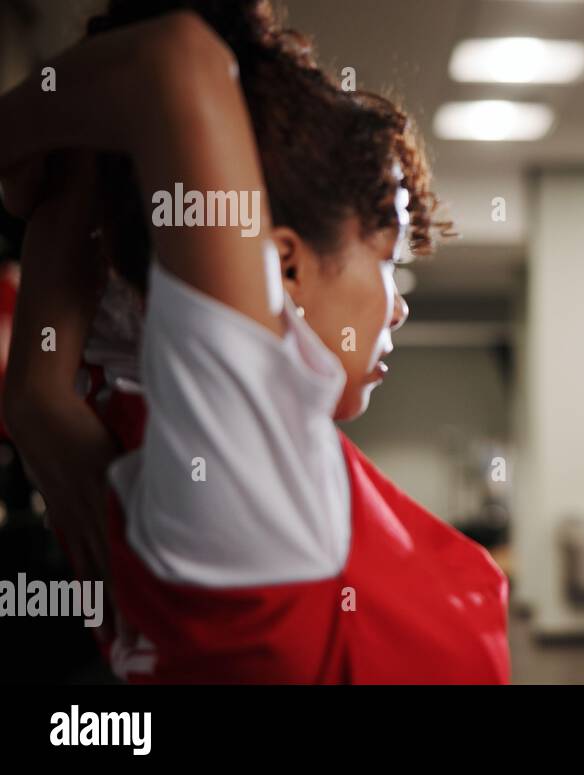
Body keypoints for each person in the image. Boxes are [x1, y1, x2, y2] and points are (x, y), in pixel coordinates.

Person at [0, 0, 509, 683]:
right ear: (285, 267)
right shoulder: (248, 480)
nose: (400, 307)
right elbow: (174, 58)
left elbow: (73, 165)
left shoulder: (136, 425)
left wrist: (35, 388)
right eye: (386, 257)